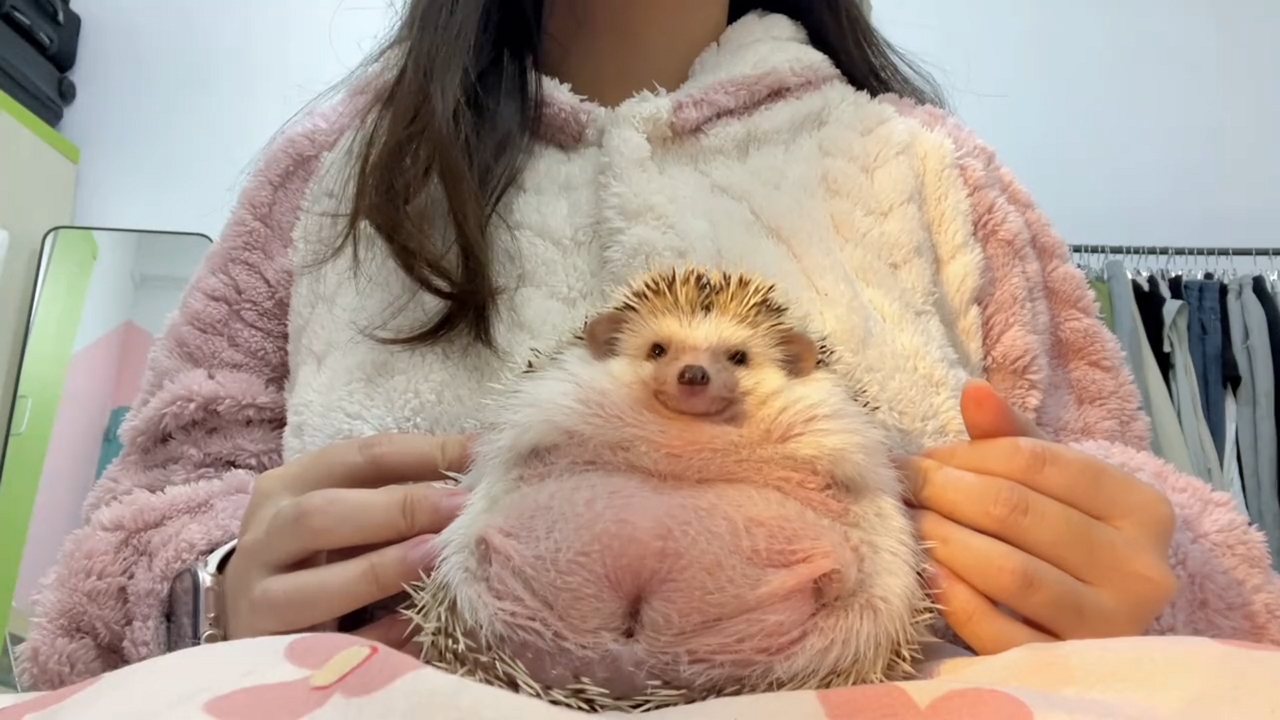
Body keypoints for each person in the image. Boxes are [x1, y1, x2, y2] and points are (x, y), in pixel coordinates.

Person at [17, 0, 1280, 692]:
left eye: (731, 363)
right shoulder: (335, 177)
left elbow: (1141, 508)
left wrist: (1153, 590)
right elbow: (146, 520)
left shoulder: (931, 177)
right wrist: (207, 585)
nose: (696, 379)